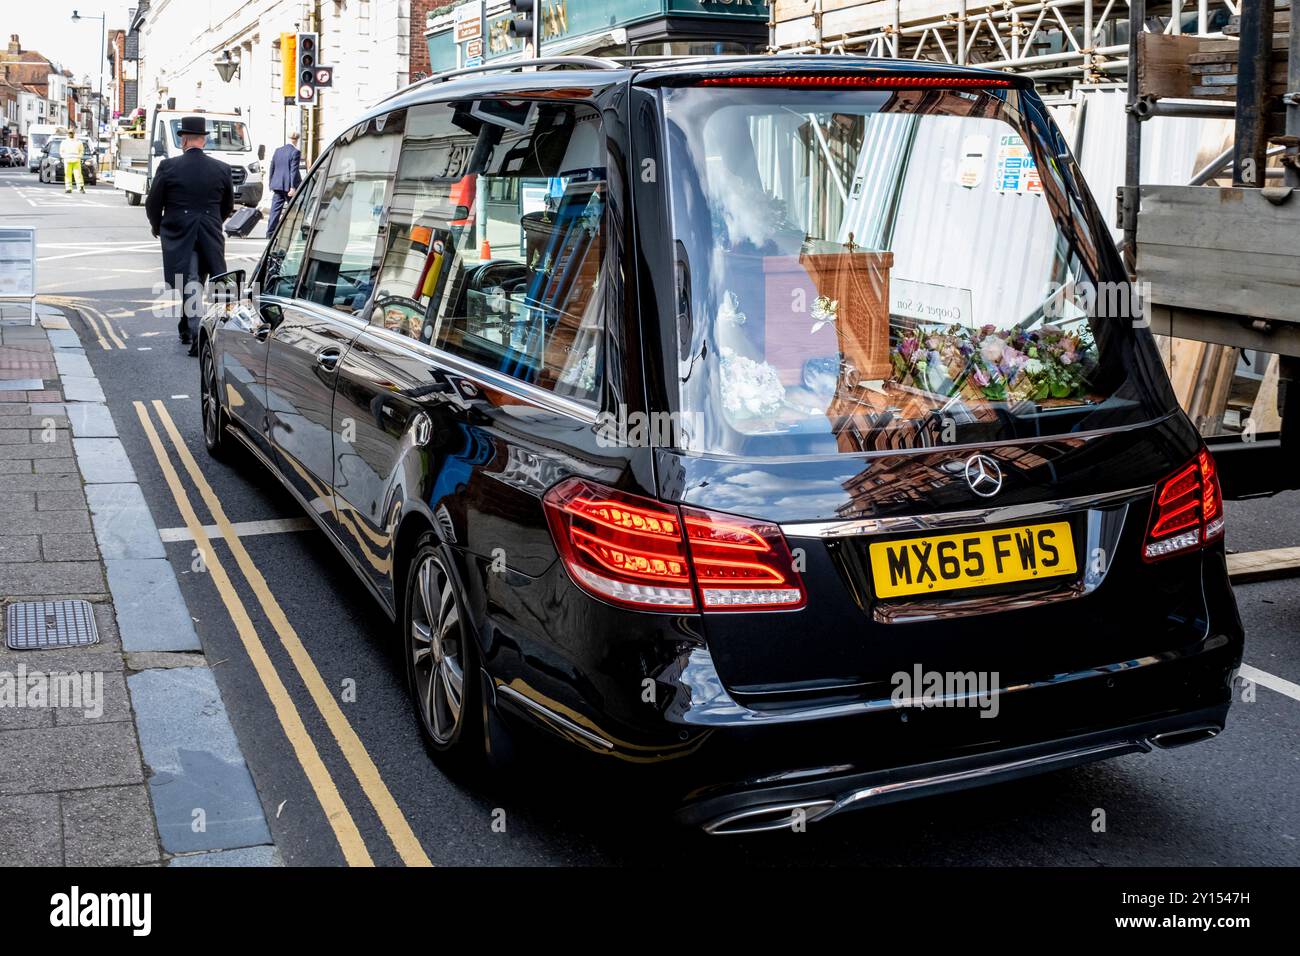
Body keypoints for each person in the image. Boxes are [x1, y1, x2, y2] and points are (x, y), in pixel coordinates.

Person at [145, 115, 234, 356]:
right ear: (203, 140)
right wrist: (214, 221)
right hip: (210, 231)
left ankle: (196, 333)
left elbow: (153, 204)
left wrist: (158, 226)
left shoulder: (168, 167)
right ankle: (187, 327)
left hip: (178, 231)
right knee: (202, 280)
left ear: (183, 140)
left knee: (190, 281)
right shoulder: (222, 169)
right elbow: (227, 205)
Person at [267, 130, 302, 234]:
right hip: (288, 186)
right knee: (296, 209)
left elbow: (272, 167)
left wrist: (271, 183)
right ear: (297, 140)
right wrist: (292, 187)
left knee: (275, 210)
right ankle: (296, 231)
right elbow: (293, 170)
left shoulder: (278, 150)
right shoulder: (295, 152)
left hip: (277, 185)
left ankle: (270, 232)